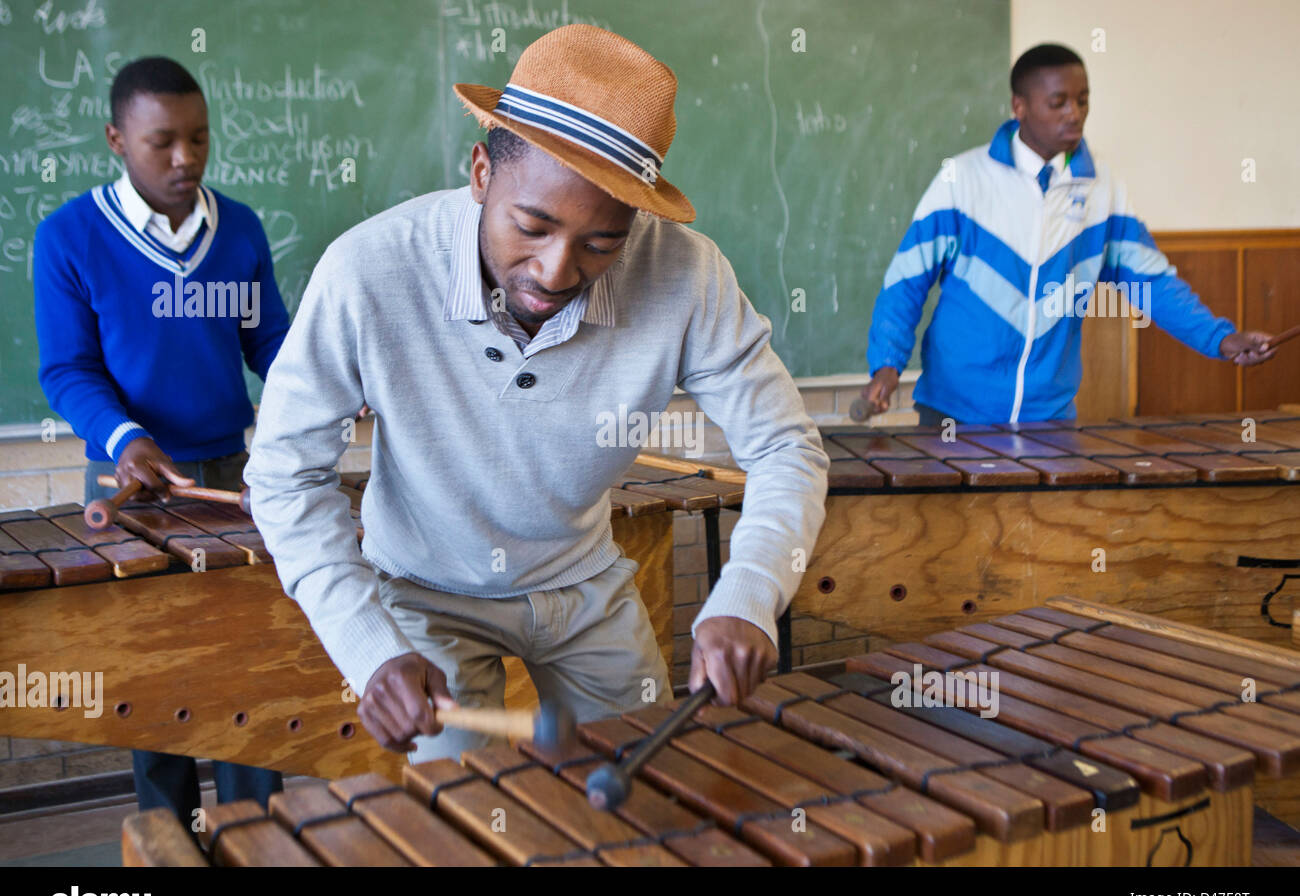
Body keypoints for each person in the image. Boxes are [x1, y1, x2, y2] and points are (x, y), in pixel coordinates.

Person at [244, 24, 829, 761]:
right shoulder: (367, 271)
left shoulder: (689, 276)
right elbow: (284, 476)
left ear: (636, 219)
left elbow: (785, 448)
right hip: (424, 590)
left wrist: (750, 594)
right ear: (483, 172)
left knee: (641, 788)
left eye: (600, 244)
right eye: (532, 226)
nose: (554, 272)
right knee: (461, 817)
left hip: (584, 588)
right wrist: (369, 648)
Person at [33, 56, 289, 824]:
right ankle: (167, 838)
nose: (186, 159)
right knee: (158, 676)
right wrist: (126, 439)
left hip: (232, 473)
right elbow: (68, 369)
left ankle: (255, 834)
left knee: (250, 665)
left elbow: (270, 342)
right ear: (117, 139)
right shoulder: (68, 237)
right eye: (162, 142)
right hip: (130, 484)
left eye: (201, 139)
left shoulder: (238, 228)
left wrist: (303, 410)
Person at [861, 43, 1276, 426]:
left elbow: (1151, 284)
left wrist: (1221, 339)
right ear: (1019, 106)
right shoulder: (963, 180)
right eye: (1057, 102)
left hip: (1049, 418)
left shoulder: (1102, 189)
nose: (1074, 113)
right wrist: (887, 363)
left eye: (1082, 99)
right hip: (953, 414)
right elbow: (906, 283)